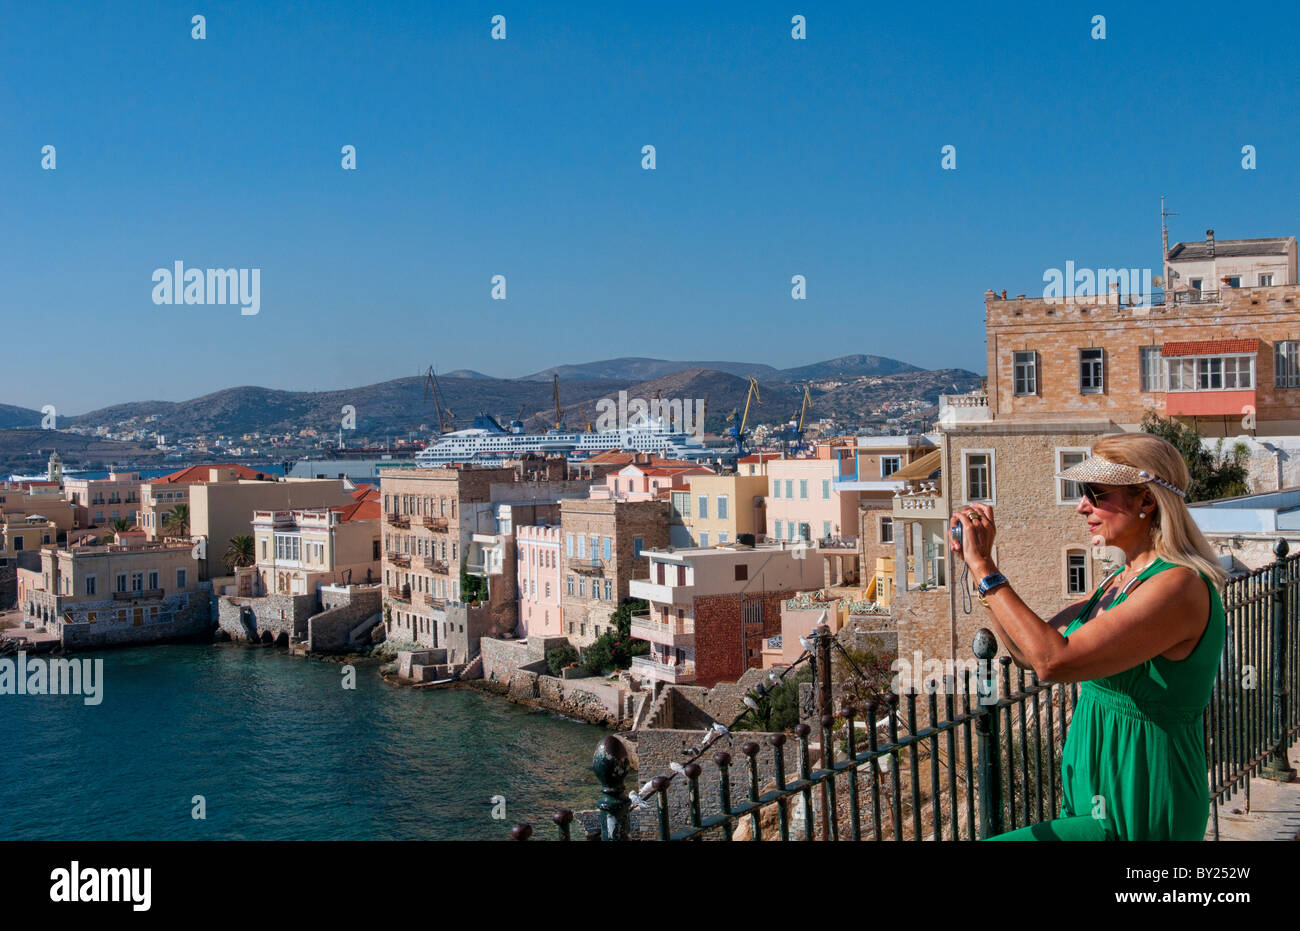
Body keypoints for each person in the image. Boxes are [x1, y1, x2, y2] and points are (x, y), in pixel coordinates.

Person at [949, 433, 1227, 841]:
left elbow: (1053, 661)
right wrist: (981, 573)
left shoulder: (1178, 587)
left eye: (1095, 494)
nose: (1082, 507)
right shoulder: (1122, 579)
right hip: (1098, 789)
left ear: (1146, 501)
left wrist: (985, 567)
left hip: (1142, 792)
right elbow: (1030, 653)